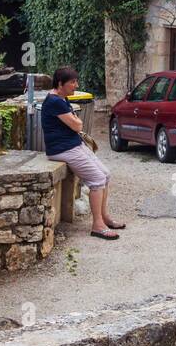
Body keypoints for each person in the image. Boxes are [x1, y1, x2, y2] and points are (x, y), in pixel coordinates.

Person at [42, 67, 122, 240]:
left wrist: (75, 121)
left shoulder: (61, 99)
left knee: (106, 174)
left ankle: (104, 217)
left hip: (73, 146)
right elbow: (78, 125)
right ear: (60, 84)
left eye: (76, 81)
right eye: (72, 82)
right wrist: (75, 122)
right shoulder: (55, 102)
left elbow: (76, 124)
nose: (76, 85)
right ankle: (98, 226)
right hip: (63, 149)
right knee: (97, 180)